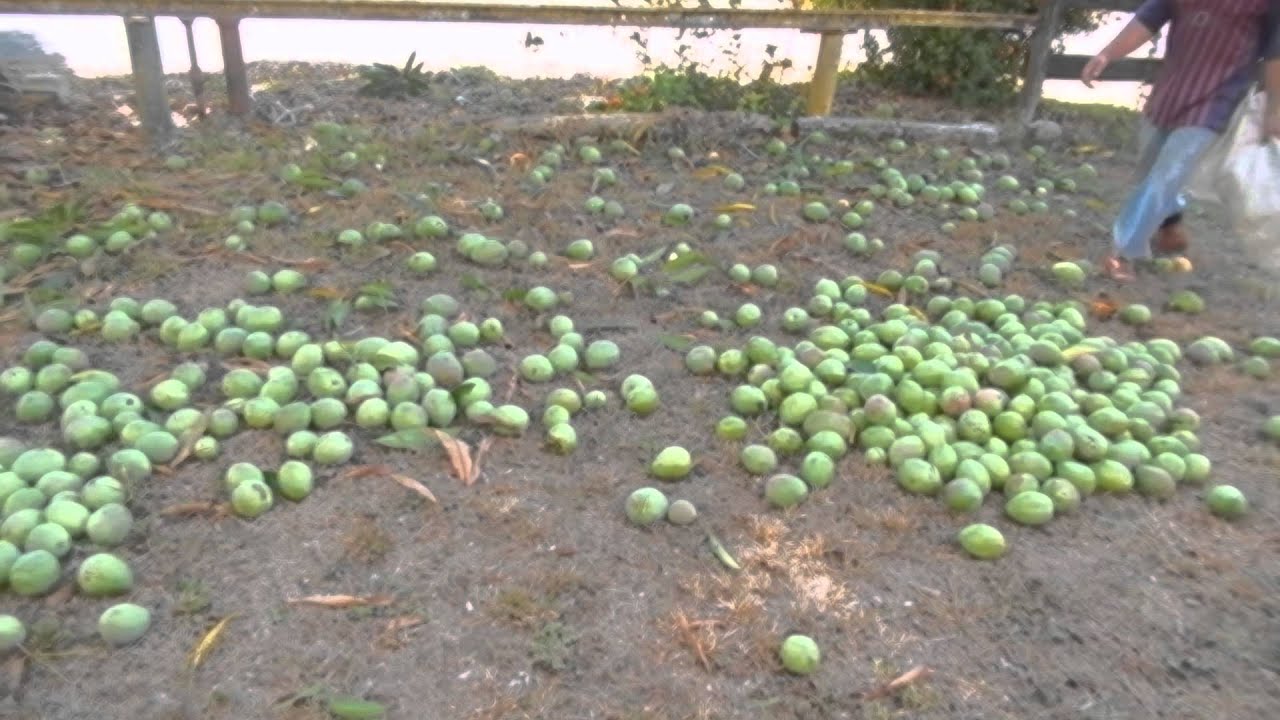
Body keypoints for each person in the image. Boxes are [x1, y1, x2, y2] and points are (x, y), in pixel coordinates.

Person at [1081, 0, 1280, 281]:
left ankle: (1124, 252)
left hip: (1216, 101)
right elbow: (1148, 19)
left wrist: (1275, 107)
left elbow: (1276, 55)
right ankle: (1170, 223)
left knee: (1168, 172)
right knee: (1148, 168)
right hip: (1170, 91)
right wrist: (1107, 54)